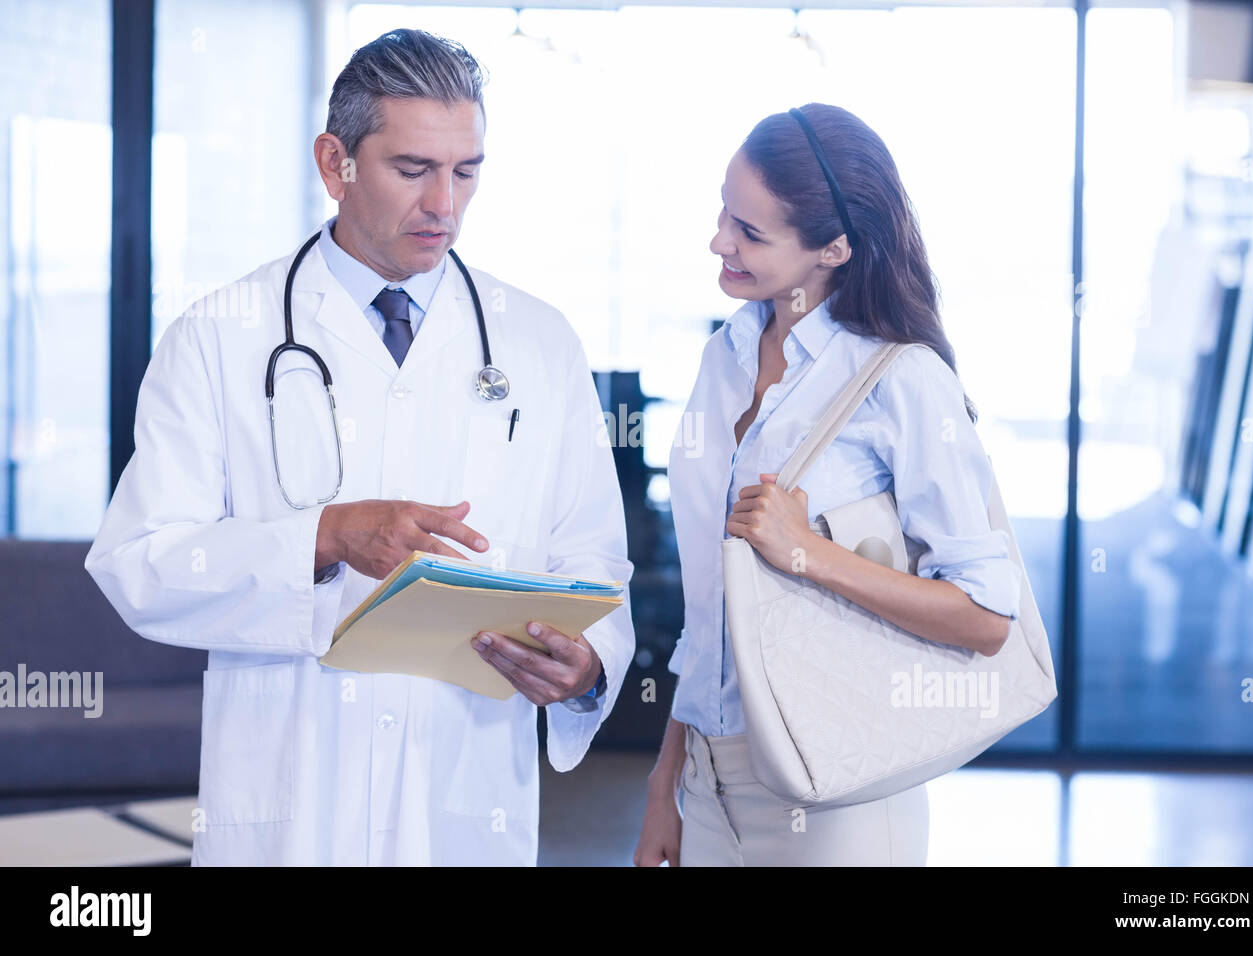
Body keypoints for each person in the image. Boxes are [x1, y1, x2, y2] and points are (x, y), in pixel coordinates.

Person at [84, 28, 634, 866]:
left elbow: (595, 558)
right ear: (335, 160)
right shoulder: (219, 335)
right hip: (293, 792)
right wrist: (324, 537)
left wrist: (588, 666)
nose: (444, 204)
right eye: (412, 170)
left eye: (467, 170)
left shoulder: (538, 342)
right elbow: (139, 564)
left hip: (464, 788)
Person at [633, 103, 1021, 867]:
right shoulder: (725, 356)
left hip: (840, 793)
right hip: (709, 782)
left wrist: (807, 551)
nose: (720, 240)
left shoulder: (901, 378)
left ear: (835, 248)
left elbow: (986, 617)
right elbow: (711, 605)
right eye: (723, 211)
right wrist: (664, 784)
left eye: (751, 231)